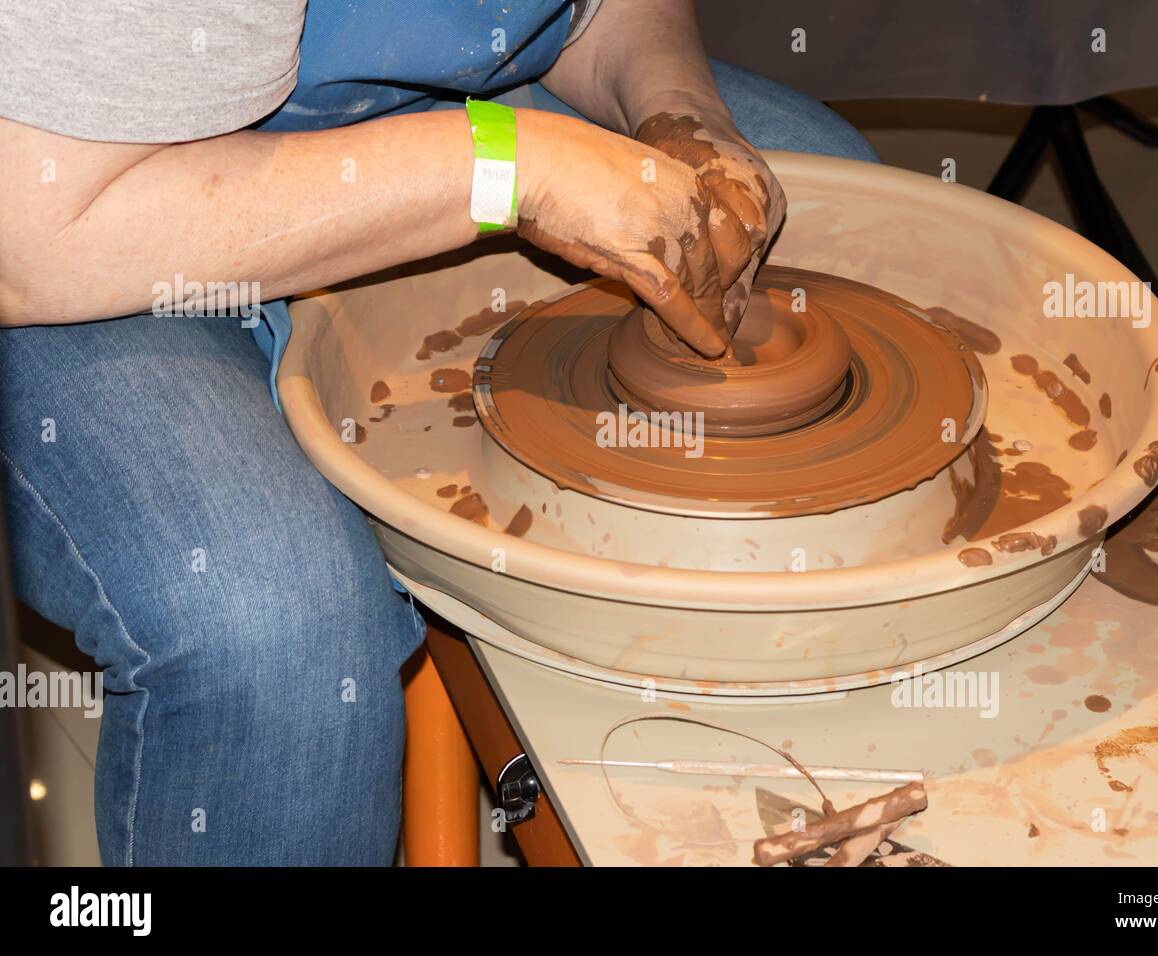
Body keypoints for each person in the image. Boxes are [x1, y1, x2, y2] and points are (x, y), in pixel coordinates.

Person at [0, 0, 877, 864]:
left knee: (851, 224)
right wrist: (508, 171)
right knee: (272, 619)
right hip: (96, 186)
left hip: (449, 108)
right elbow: (32, 243)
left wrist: (678, 114)